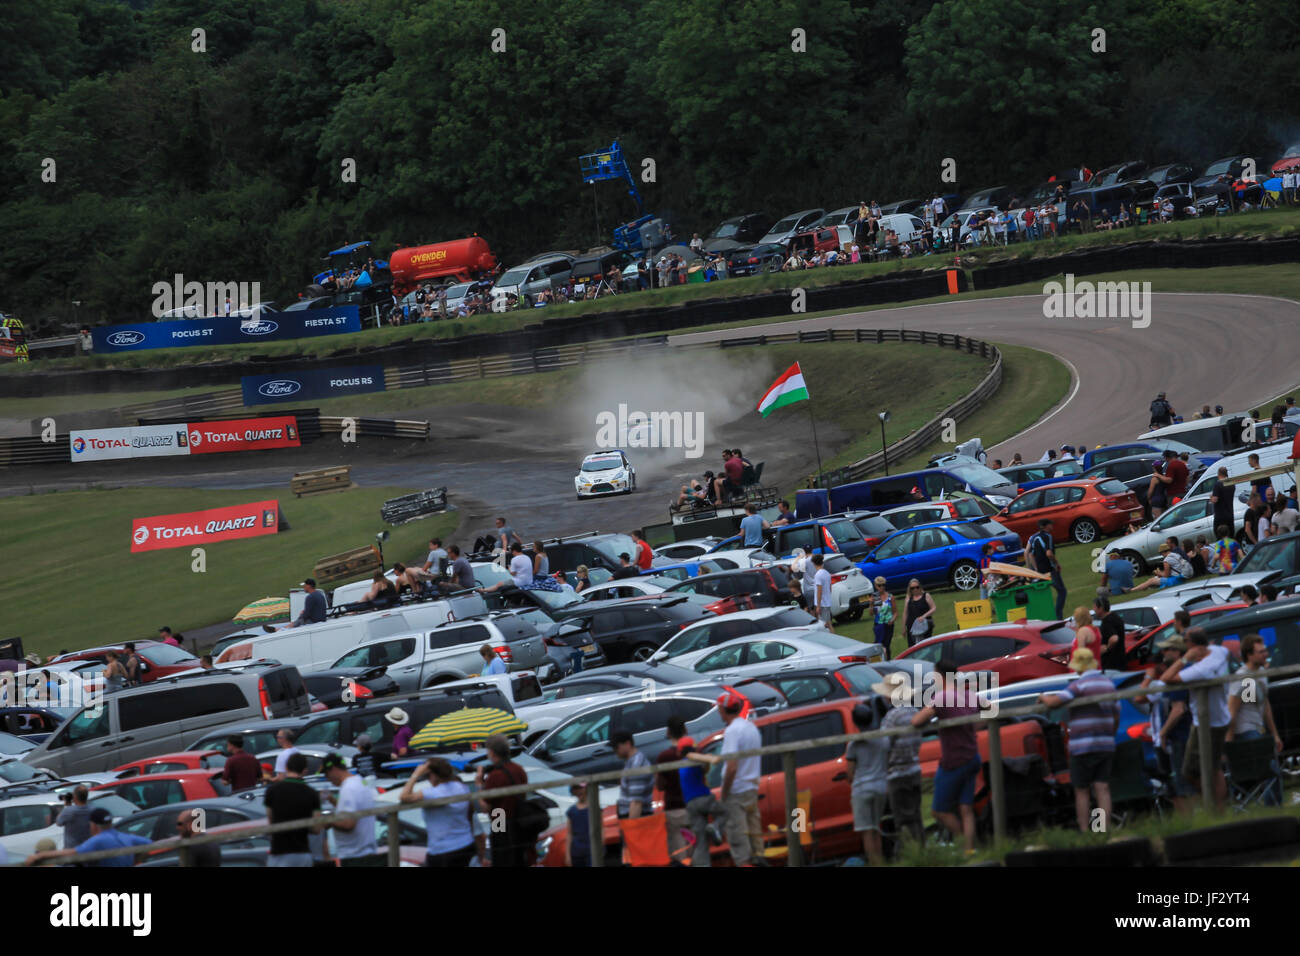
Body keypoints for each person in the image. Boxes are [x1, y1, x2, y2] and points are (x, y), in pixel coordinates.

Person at [1038, 648, 1120, 833]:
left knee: (1082, 790)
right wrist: (1110, 734)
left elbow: (1054, 703)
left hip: (1082, 745)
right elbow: (1117, 714)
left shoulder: (1079, 685)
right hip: (1105, 744)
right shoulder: (1108, 684)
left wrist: (1042, 697)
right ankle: (1100, 829)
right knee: (1102, 788)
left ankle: (1085, 831)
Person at [1158, 626, 1231, 812]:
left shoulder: (1200, 670)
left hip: (1208, 723)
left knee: (1191, 771)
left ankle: (1212, 803)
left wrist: (1185, 659)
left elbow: (1167, 678)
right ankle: (1216, 805)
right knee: (1212, 768)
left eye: (1186, 644)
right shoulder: (1217, 652)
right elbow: (1225, 650)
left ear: (1193, 646)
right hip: (1213, 720)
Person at [911, 662, 980, 854]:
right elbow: (990, 708)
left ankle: (960, 842)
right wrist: (974, 729)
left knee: (938, 810)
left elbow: (917, 720)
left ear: (940, 676)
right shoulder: (968, 695)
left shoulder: (942, 697)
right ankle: (970, 849)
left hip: (953, 760)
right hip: (972, 755)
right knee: (966, 808)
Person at [1136, 634, 1194, 810]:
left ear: (1178, 653)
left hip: (1177, 736)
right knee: (1173, 785)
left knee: (1181, 784)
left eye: (1168, 650)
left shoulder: (1172, 680)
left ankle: (1192, 821)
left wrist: (1148, 677)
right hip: (1170, 738)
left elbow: (1177, 709)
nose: (1163, 653)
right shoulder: (1165, 682)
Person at [1225, 633, 1283, 804]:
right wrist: (1228, 742)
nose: (1265, 654)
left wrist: (1275, 734)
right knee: (1269, 768)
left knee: (1270, 770)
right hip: (1245, 731)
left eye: (1265, 650)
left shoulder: (1261, 673)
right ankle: (1273, 808)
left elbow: (1263, 705)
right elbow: (1233, 709)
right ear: (1249, 655)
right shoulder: (1246, 677)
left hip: (1257, 729)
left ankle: (1273, 806)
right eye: (1260, 652)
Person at [402, 756, 483, 866]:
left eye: (427, 776)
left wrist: (416, 774)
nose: (428, 779)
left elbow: (404, 796)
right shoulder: (461, 787)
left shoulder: (432, 793)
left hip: (442, 851)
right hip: (466, 845)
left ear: (434, 775)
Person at [875, 672, 923, 847]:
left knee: (903, 819)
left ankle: (911, 852)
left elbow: (883, 746)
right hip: (914, 768)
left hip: (898, 774)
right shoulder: (914, 712)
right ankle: (922, 848)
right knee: (916, 815)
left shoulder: (892, 717)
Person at [844, 698, 890, 865]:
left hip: (862, 789)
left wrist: (852, 779)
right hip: (880, 787)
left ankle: (874, 862)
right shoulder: (883, 739)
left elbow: (850, 773)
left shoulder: (853, 745)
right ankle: (881, 861)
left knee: (866, 831)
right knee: (876, 828)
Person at [26, 806, 149, 867]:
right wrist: (137, 861)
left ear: (94, 825)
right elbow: (151, 845)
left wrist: (40, 855)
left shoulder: (98, 840)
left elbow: (71, 853)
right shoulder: (126, 837)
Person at [477, 734, 529, 867]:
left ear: (492, 752)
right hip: (519, 823)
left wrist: (479, 785)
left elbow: (485, 807)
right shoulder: (519, 769)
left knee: (501, 860)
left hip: (499, 822)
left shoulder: (495, 776)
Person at [321, 752, 382, 866]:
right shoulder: (360, 782)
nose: (328, 779)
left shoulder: (348, 789)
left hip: (355, 857)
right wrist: (332, 800)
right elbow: (352, 811)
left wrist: (327, 819)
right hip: (367, 853)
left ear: (333, 769)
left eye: (327, 774)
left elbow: (348, 823)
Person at [264, 752, 322, 867]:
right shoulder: (312, 793)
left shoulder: (272, 791)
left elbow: (270, 822)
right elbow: (316, 829)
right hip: (302, 854)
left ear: (286, 767)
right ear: (304, 770)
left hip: (279, 852)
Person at [656, 718, 690, 864]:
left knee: (679, 853)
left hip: (674, 808)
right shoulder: (694, 752)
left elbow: (660, 785)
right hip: (691, 805)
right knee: (694, 848)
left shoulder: (665, 757)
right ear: (685, 731)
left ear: (669, 732)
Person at [1027, 519, 1067, 617]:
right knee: (1062, 591)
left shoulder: (1035, 538)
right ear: (1045, 526)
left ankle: (1044, 616)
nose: (1052, 526)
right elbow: (1049, 553)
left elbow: (1030, 554)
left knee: (1042, 595)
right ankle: (1058, 616)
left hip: (1040, 572)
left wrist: (1036, 569)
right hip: (1050, 570)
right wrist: (1056, 563)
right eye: (1050, 524)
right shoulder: (1048, 536)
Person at [614, 729, 652, 829]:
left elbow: (636, 802)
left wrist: (630, 829)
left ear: (627, 743)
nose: (614, 751)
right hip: (632, 815)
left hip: (635, 816)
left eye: (616, 747)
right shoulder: (632, 761)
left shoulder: (637, 764)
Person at [1094, 594, 1127, 670]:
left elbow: (1114, 638)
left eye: (1095, 607)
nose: (1094, 609)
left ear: (1101, 608)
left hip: (1112, 664)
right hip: (1120, 660)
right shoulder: (1115, 617)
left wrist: (1107, 648)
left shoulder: (1107, 622)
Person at [903, 579, 936, 646]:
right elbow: (905, 613)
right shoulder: (908, 598)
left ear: (920, 587)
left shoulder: (926, 595)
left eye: (917, 587)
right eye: (912, 588)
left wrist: (924, 616)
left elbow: (933, 608)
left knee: (926, 646)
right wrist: (903, 627)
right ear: (910, 589)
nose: (915, 589)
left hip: (924, 626)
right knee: (913, 648)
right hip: (911, 627)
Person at [871, 576, 895, 660]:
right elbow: (871, 614)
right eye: (879, 585)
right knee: (879, 644)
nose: (882, 587)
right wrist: (871, 605)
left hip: (888, 624)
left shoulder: (890, 597)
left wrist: (892, 619)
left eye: (883, 585)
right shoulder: (874, 597)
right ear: (876, 586)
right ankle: (879, 660)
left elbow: (895, 612)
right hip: (878, 624)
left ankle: (888, 660)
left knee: (887, 644)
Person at [811, 553, 834, 632]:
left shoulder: (818, 575)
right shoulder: (827, 573)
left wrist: (818, 606)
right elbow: (830, 588)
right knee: (828, 624)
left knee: (826, 625)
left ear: (814, 563)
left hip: (822, 604)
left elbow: (819, 591)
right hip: (827, 602)